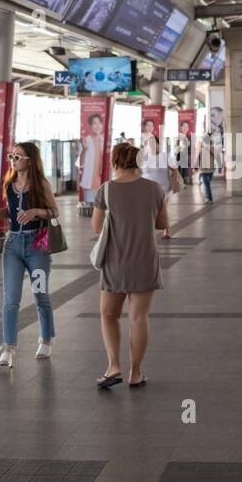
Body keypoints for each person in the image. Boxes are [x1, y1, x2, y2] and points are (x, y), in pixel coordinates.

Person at [93, 142, 167, 389]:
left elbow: (96, 228)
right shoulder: (155, 189)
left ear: (114, 161)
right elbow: (161, 223)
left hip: (115, 261)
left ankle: (113, 366)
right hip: (145, 260)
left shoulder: (106, 190)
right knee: (138, 317)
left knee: (109, 314)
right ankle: (136, 373)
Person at [0, 142, 58, 368]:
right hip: (12, 246)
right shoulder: (9, 184)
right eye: (12, 156)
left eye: (18, 156)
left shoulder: (41, 185)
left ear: (30, 159)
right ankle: (8, 346)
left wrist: (35, 212)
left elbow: (54, 211)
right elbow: (9, 213)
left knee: (40, 294)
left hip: (37, 247)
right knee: (10, 299)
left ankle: (47, 338)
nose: (13, 159)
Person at [77, 112, 106, 202]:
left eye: (99, 123)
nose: (97, 126)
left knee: (103, 212)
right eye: (94, 123)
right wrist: (84, 150)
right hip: (89, 184)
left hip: (103, 183)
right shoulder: (85, 141)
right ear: (90, 126)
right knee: (90, 212)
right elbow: (80, 164)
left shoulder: (105, 141)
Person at [196, 129, 220, 202]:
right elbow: (217, 158)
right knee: (207, 184)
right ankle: (209, 198)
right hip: (209, 169)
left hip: (205, 169)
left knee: (207, 184)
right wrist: (219, 166)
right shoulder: (213, 148)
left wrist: (195, 167)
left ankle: (208, 198)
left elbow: (198, 158)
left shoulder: (202, 148)